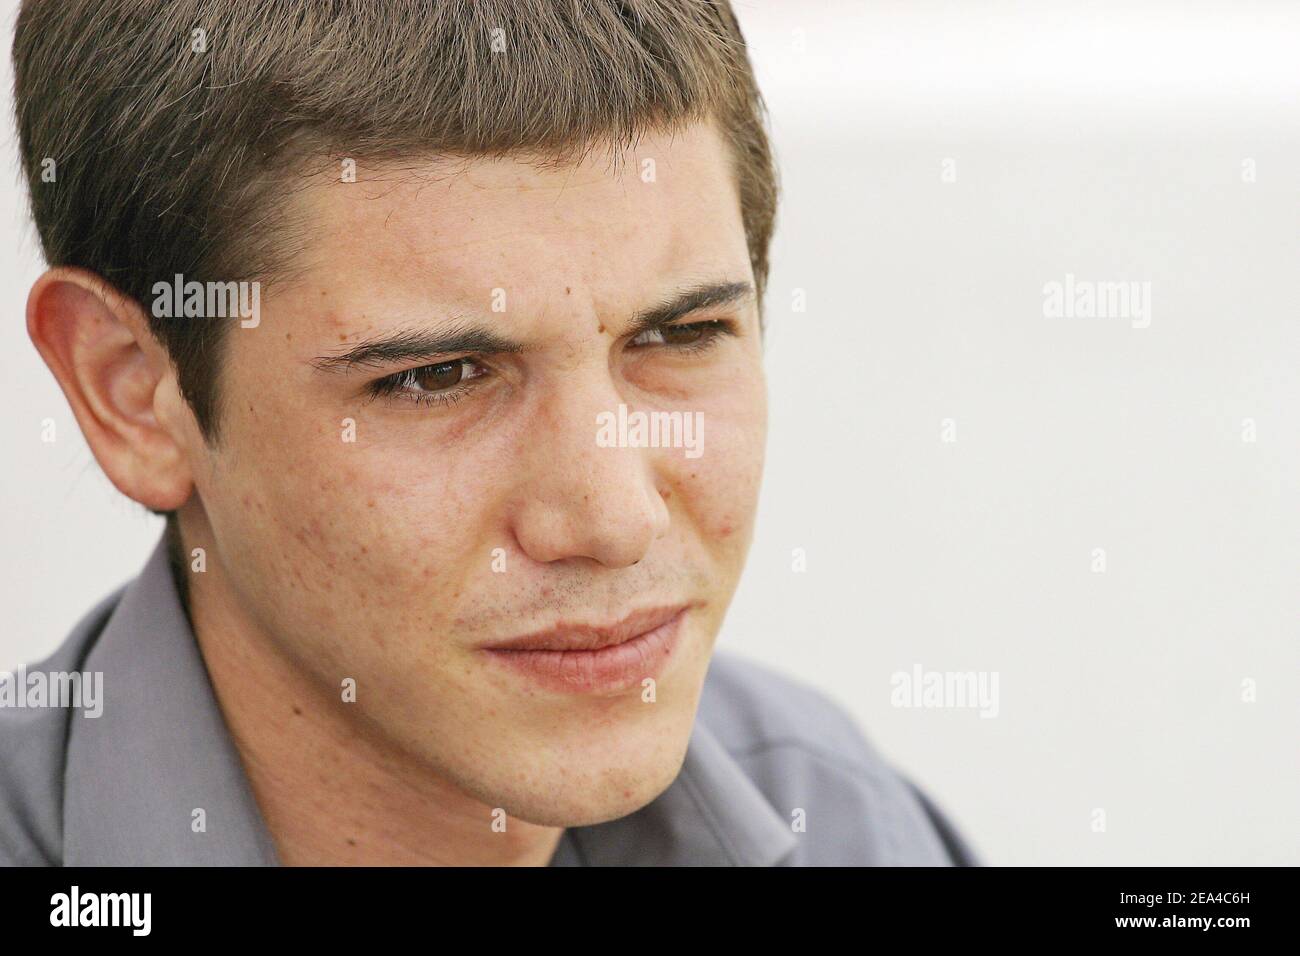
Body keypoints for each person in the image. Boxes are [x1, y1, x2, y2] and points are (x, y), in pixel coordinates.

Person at [1, 0, 979, 866]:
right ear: (131, 391)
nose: (612, 518)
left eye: (681, 334)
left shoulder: (846, 820)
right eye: (438, 377)